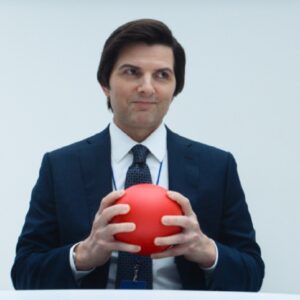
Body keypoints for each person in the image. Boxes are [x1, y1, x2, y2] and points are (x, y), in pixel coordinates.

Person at [11, 19, 264, 291]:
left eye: (162, 75)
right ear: (105, 83)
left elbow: (252, 274)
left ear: (176, 88)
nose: (147, 87)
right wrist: (83, 255)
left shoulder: (217, 166)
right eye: (132, 72)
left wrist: (206, 251)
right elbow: (24, 274)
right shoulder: (60, 167)